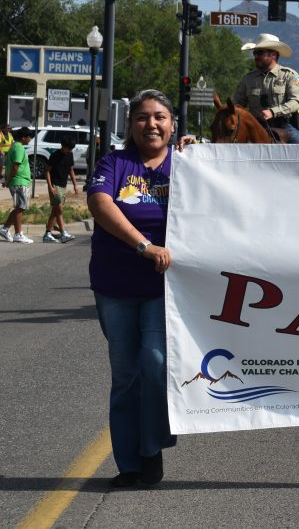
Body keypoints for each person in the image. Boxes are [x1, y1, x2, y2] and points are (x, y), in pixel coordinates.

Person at [87, 89, 194, 488]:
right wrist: (143, 245)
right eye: (143, 117)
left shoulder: (185, 166)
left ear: (172, 124)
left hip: (164, 286)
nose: (152, 124)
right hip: (115, 284)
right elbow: (100, 203)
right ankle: (129, 463)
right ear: (130, 125)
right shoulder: (114, 163)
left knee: (155, 364)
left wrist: (201, 158)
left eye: (160, 117)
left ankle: (152, 451)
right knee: (125, 375)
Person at [232, 33, 299, 144]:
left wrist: (273, 112)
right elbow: (236, 104)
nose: (256, 57)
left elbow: (295, 102)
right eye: (255, 53)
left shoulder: (289, 75)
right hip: (254, 126)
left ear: (273, 55)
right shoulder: (248, 79)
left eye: (260, 53)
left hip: (284, 126)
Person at [1, 127, 36, 243]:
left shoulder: (14, 147)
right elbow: (15, 166)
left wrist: (8, 181)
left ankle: (5, 229)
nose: (30, 139)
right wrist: (8, 181)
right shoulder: (19, 148)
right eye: (29, 137)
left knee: (19, 207)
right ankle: (18, 234)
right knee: (20, 207)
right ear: (23, 138)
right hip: (19, 182)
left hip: (19, 181)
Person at [43, 138, 79, 243]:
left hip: (63, 185)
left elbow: (70, 170)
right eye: (69, 148)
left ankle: (48, 234)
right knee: (58, 209)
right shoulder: (54, 155)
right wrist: (50, 186)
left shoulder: (70, 155)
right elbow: (47, 172)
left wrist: (75, 185)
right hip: (55, 185)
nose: (70, 150)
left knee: (56, 210)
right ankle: (62, 233)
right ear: (63, 146)